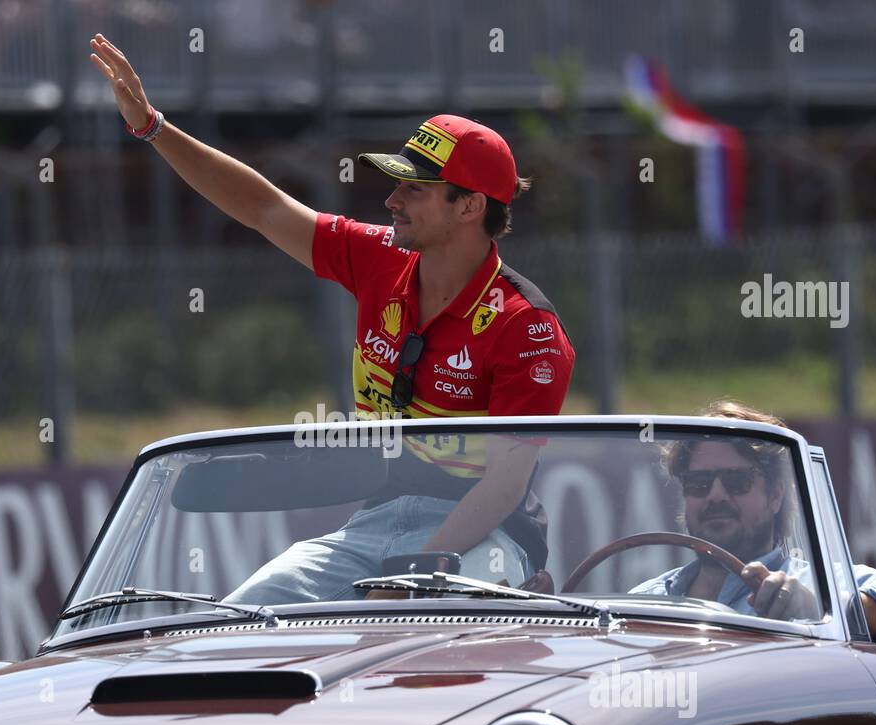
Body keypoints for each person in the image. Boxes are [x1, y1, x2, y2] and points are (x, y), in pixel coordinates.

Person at [88, 33, 575, 604]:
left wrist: (413, 576)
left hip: (487, 536)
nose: (391, 201)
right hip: (375, 522)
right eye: (396, 185)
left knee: (430, 625)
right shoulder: (379, 256)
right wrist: (153, 128)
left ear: (469, 206)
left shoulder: (527, 327)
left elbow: (504, 487)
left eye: (415, 190)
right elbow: (265, 208)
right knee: (242, 621)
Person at [629, 401, 876, 655]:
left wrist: (824, 606)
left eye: (736, 480)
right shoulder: (646, 600)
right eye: (699, 483)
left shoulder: (825, 584)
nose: (716, 495)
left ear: (775, 496)